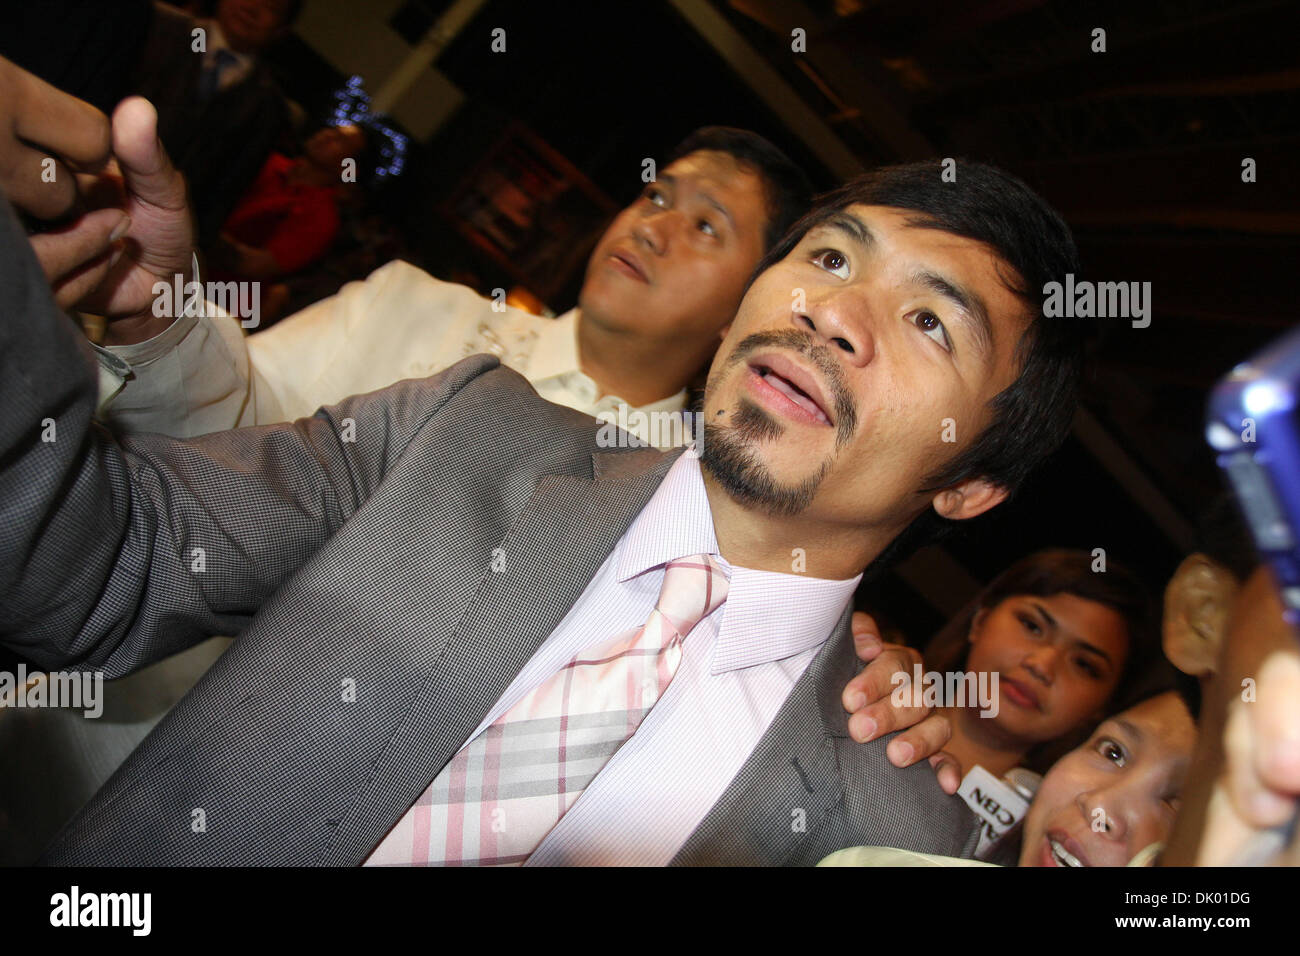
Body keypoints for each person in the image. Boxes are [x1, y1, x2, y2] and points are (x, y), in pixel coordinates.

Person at [2, 121, 1093, 864]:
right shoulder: (458, 432)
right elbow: (98, 563)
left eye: (928, 321)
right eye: (831, 257)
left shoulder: (893, 822)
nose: (833, 312)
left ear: (970, 483)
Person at [91, 124, 815, 445]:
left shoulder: (672, 503)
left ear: (748, 310)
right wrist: (160, 318)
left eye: (707, 227)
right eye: (657, 196)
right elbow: (225, 428)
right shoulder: (409, 306)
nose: (654, 227)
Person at [917, 549, 1160, 780]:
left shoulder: (1057, 822)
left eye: (1084, 665)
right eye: (1032, 626)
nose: (1042, 666)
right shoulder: (884, 693)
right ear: (981, 621)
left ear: (1104, 706)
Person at [127, 0, 298, 244]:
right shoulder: (161, 26)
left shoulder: (268, 107)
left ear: (281, 30)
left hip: (156, 228)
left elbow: (224, 193)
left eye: (270, 8)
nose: (251, 8)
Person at [209, 124, 369, 283]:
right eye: (332, 130)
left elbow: (256, 265)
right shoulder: (270, 160)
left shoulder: (321, 217)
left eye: (340, 141)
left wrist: (203, 229)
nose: (327, 135)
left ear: (348, 168)